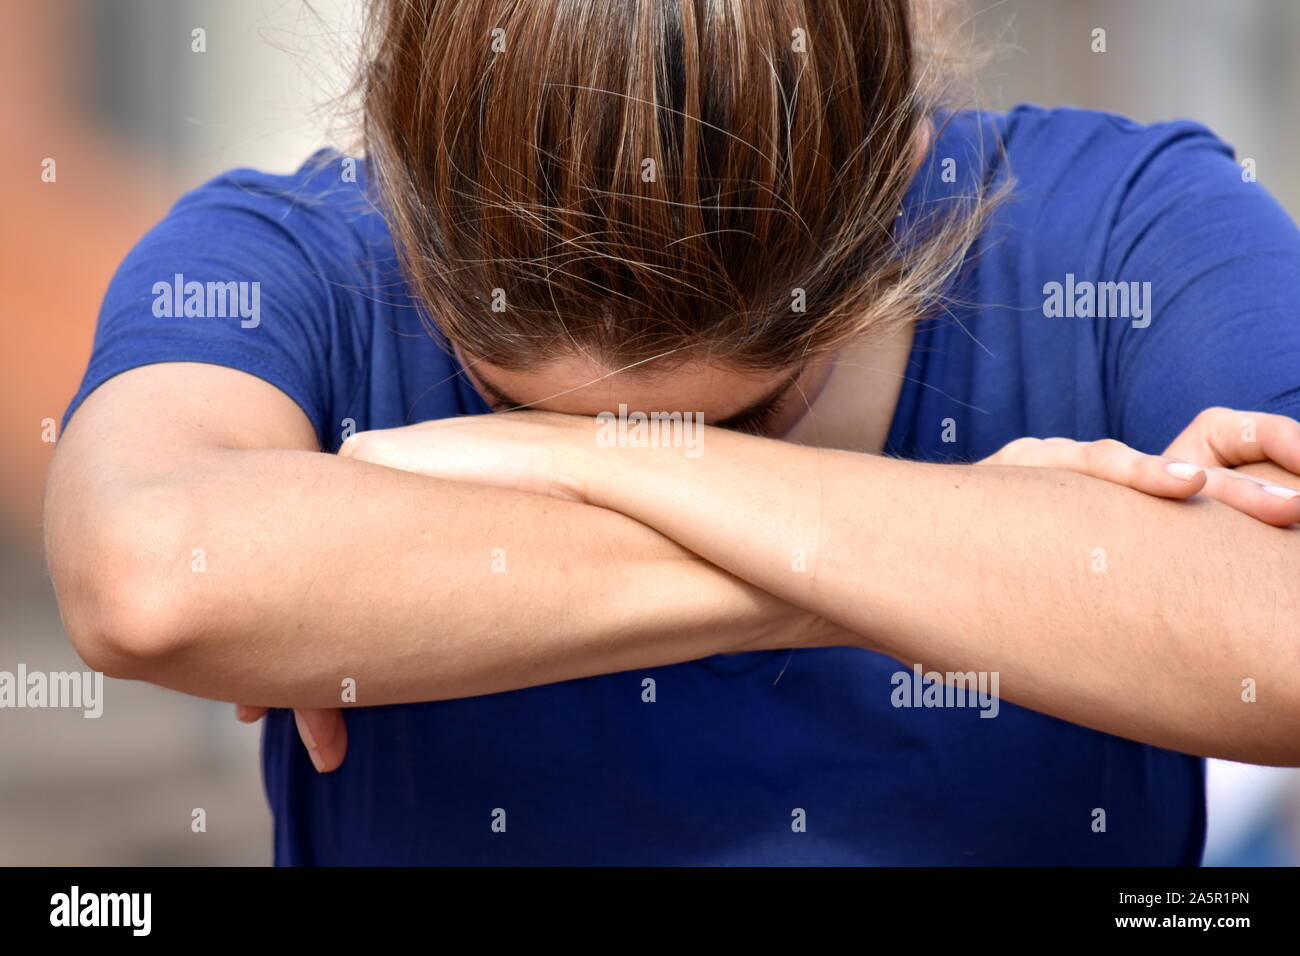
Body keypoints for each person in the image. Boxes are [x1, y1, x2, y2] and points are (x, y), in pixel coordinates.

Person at [45, 0, 1300, 865]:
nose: (618, 446)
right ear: (401, 216)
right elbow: (152, 573)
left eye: (748, 412)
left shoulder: (1133, 229)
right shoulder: (296, 257)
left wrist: (563, 464)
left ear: (896, 201)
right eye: (522, 411)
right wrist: (965, 561)